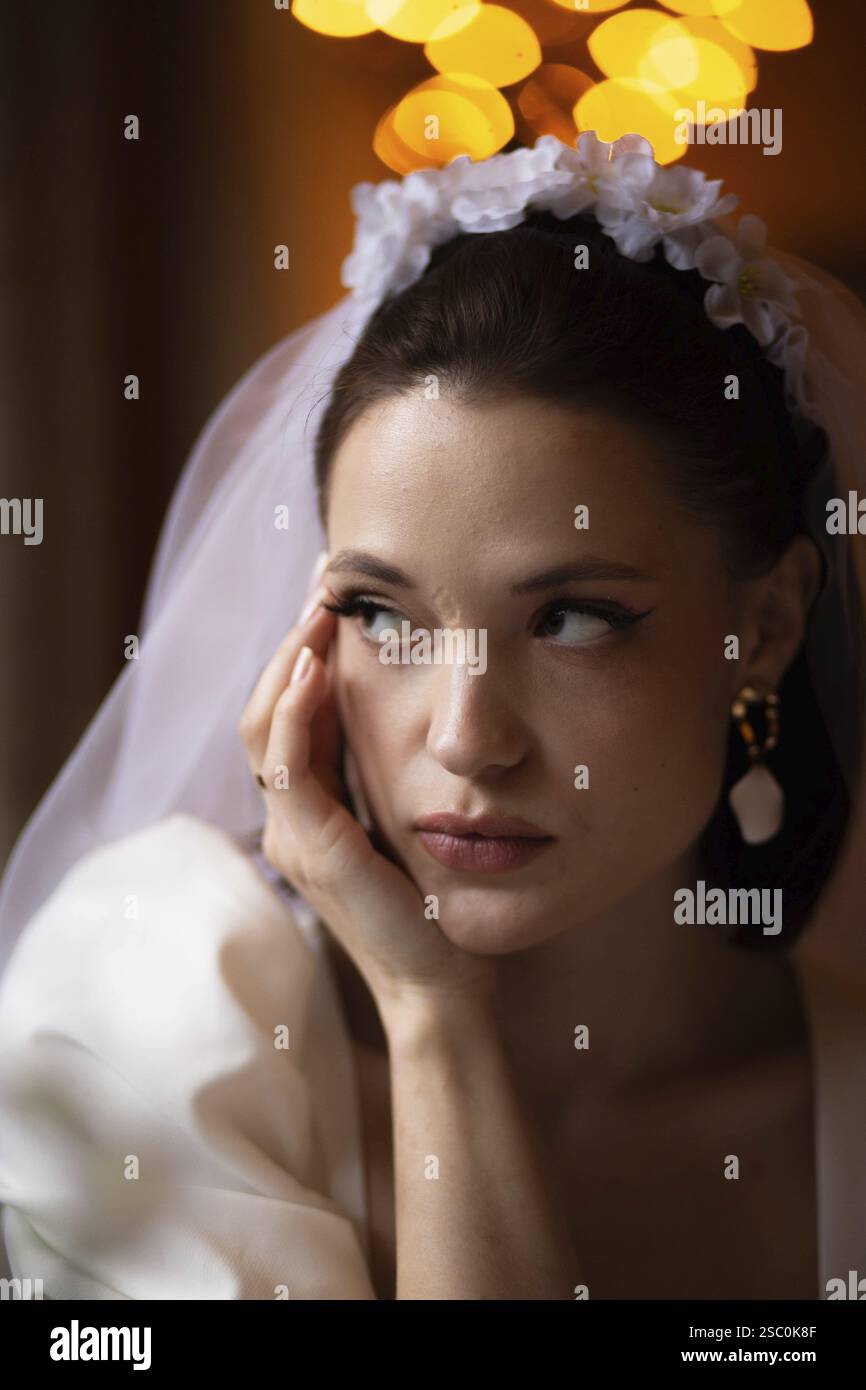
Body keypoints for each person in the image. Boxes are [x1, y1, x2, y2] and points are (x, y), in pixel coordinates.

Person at [0, 133, 865, 1301]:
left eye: (571, 619)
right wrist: (430, 1008)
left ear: (758, 630)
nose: (463, 738)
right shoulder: (162, 1002)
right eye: (379, 613)